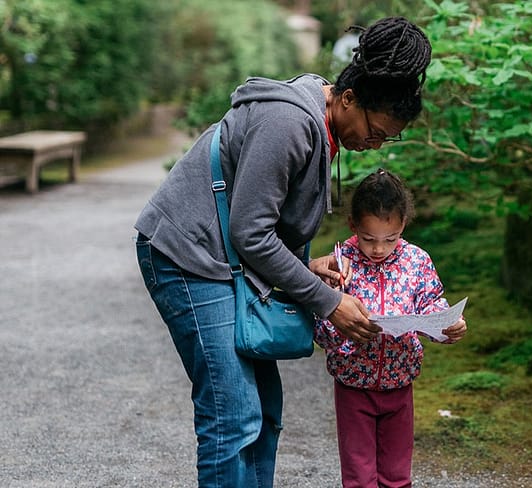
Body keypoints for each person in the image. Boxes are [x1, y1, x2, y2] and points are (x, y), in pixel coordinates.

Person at [133, 17, 432, 488]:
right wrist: (328, 301)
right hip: (186, 253)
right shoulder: (290, 122)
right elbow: (250, 233)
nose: (375, 144)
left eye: (386, 138)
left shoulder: (324, 122)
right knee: (233, 416)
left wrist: (306, 267)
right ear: (348, 98)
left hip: (225, 257)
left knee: (266, 412)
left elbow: (262, 226)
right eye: (376, 131)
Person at [315, 169, 468, 488]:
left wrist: (447, 325)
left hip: (400, 383)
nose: (379, 249)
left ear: (403, 226)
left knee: (397, 475)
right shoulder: (341, 264)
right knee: (359, 475)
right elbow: (322, 326)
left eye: (390, 239)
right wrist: (341, 325)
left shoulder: (416, 261)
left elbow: (431, 303)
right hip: (353, 383)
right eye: (369, 239)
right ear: (353, 225)